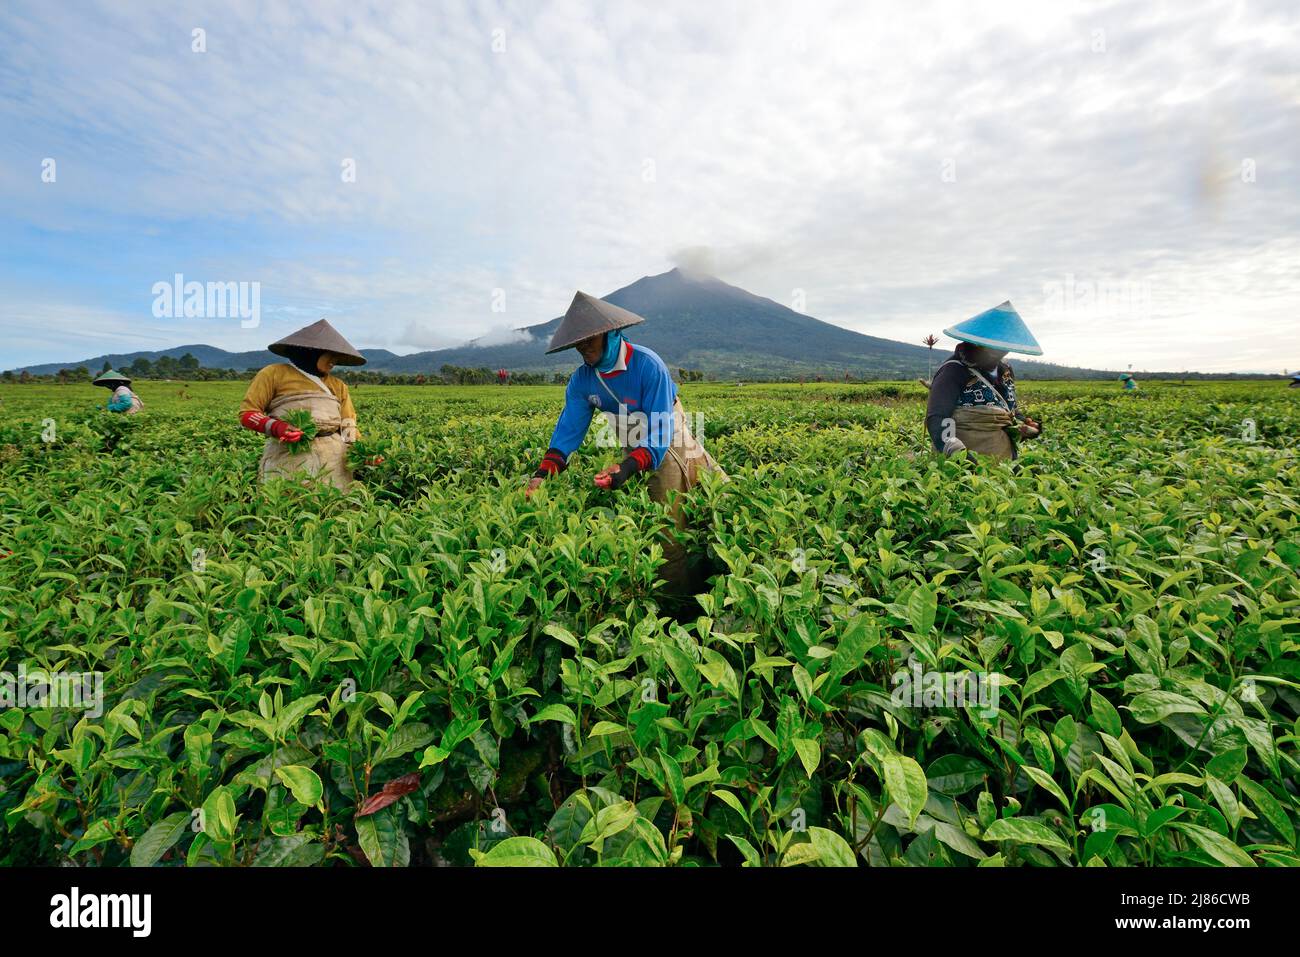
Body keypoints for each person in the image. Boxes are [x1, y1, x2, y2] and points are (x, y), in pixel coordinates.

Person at [525, 291, 726, 594]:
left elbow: (659, 432)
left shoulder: (648, 365)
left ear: (611, 333)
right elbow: (569, 429)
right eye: (578, 342)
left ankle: (680, 599)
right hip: (631, 435)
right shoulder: (582, 380)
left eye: (589, 339)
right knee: (646, 502)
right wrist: (542, 475)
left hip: (666, 429)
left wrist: (628, 467)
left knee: (669, 518)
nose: (583, 347)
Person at [238, 319, 379, 489]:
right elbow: (248, 413)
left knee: (335, 501)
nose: (334, 361)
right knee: (287, 500)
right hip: (289, 454)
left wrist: (362, 453)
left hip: (333, 456)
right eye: (330, 355)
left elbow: (347, 424)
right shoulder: (274, 373)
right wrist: (277, 427)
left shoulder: (338, 385)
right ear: (312, 351)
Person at [925, 301, 1042, 461]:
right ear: (978, 341)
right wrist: (962, 457)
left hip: (1003, 461)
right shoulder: (953, 370)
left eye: (1003, 346)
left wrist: (1025, 425)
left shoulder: (1006, 370)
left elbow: (1008, 410)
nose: (999, 351)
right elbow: (938, 419)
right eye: (992, 345)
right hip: (962, 467)